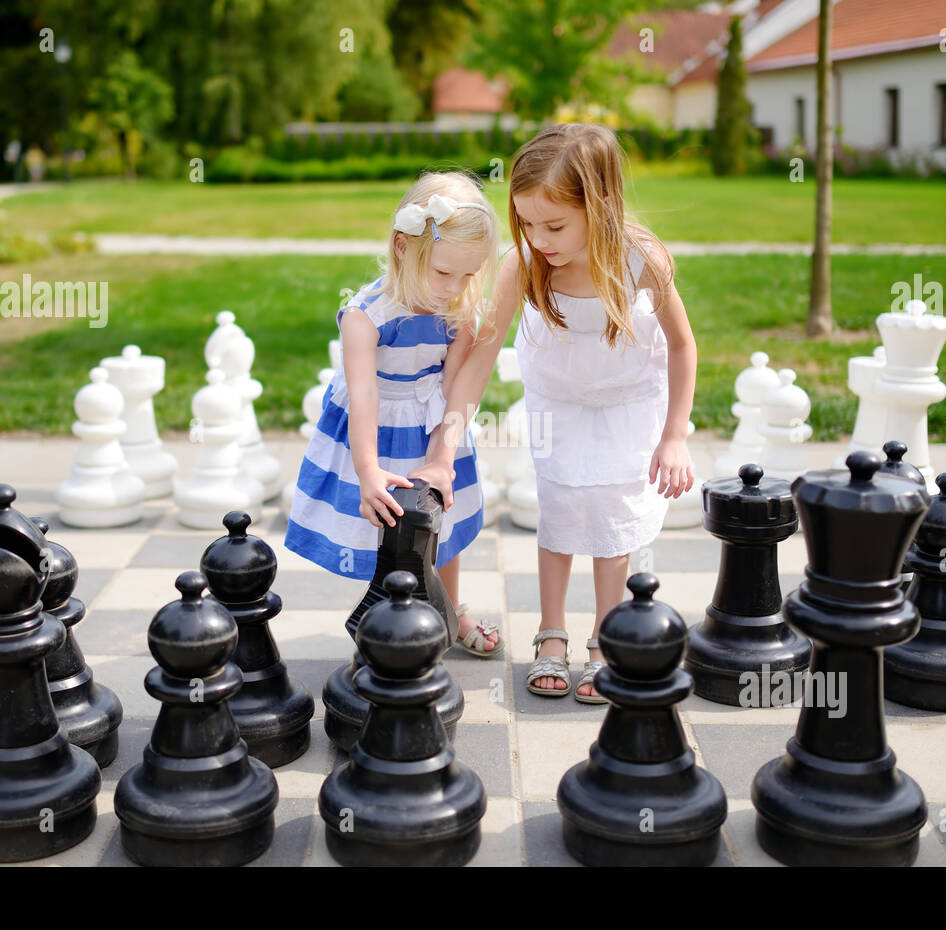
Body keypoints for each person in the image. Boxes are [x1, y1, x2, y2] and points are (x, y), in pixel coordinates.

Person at [425, 124, 697, 700]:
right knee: (562, 501)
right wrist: (444, 447)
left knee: (613, 510)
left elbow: (681, 345)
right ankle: (552, 632)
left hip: (627, 400)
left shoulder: (642, 258)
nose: (537, 236)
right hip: (560, 403)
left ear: (599, 206)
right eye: (526, 222)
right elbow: (479, 358)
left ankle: (605, 634)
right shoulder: (524, 264)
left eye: (554, 224)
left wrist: (675, 435)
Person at [284, 170, 503, 656]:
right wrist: (367, 470)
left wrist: (441, 458)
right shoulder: (365, 316)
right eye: (444, 273)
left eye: (469, 275)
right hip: (375, 435)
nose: (455, 287)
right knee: (384, 534)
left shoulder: (459, 309)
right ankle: (394, 619)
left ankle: (449, 609)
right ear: (404, 247)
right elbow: (363, 396)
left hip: (434, 427)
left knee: (436, 525)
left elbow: (454, 390)